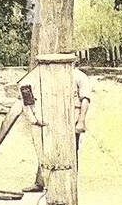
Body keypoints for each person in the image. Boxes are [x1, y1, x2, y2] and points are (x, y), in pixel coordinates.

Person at [24, 65, 92, 193]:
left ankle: (69, 184)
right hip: (52, 118)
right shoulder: (51, 75)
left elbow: (85, 100)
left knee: (70, 151)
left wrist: (81, 121)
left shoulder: (80, 76)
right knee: (45, 149)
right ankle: (41, 182)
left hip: (71, 119)